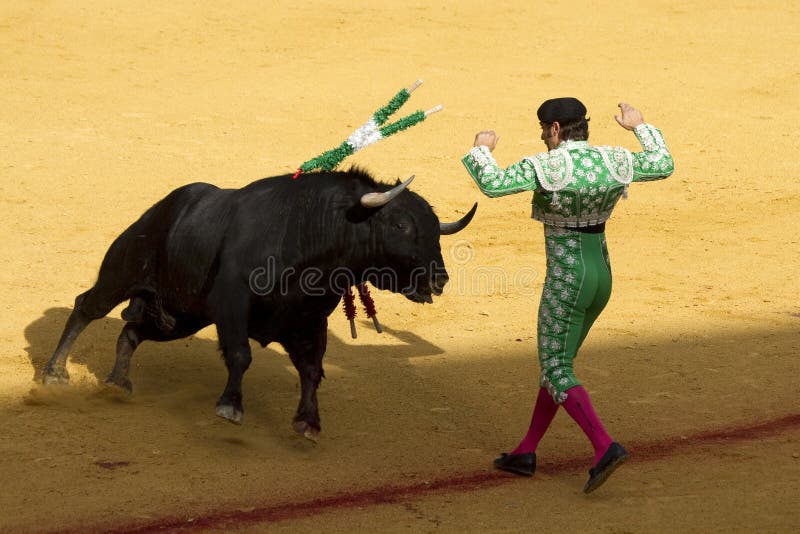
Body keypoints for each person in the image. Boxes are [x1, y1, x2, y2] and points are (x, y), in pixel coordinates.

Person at [462, 98, 674, 493]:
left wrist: (482, 150)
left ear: (557, 129)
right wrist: (639, 126)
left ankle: (604, 446)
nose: (542, 136)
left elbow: (492, 184)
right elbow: (662, 163)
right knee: (557, 364)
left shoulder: (547, 166)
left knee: (556, 367)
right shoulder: (613, 159)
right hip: (601, 276)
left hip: (567, 280)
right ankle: (525, 451)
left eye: (544, 129)